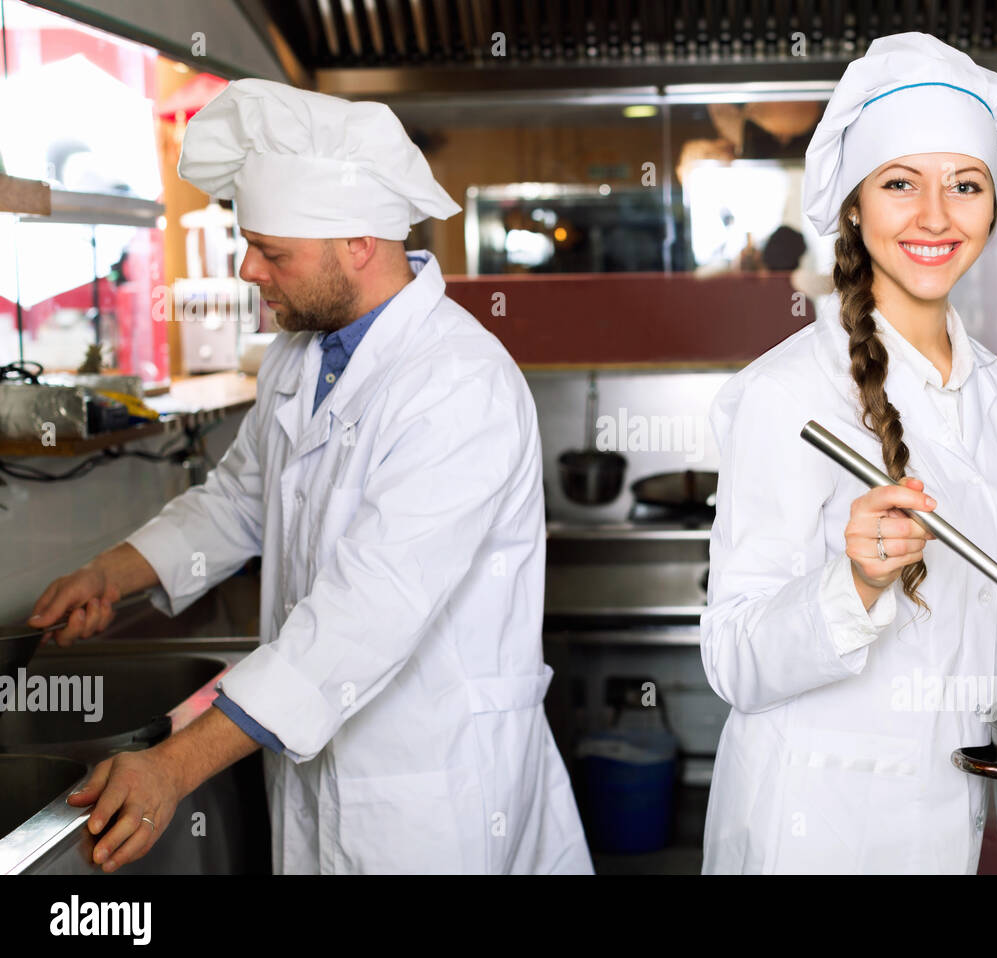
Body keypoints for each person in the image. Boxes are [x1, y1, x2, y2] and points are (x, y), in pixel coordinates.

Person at [28, 79, 592, 875]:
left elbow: (366, 612)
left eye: (272, 250)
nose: (250, 269)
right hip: (318, 768)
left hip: (435, 792)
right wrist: (109, 574)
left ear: (359, 241)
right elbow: (239, 501)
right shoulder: (302, 356)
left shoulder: (457, 383)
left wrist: (173, 764)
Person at [699, 33, 997, 874]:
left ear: (992, 204)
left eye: (964, 185)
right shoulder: (787, 394)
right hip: (813, 823)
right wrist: (854, 583)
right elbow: (734, 659)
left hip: (946, 813)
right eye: (899, 184)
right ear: (854, 206)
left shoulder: (993, 389)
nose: (934, 216)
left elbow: (982, 599)